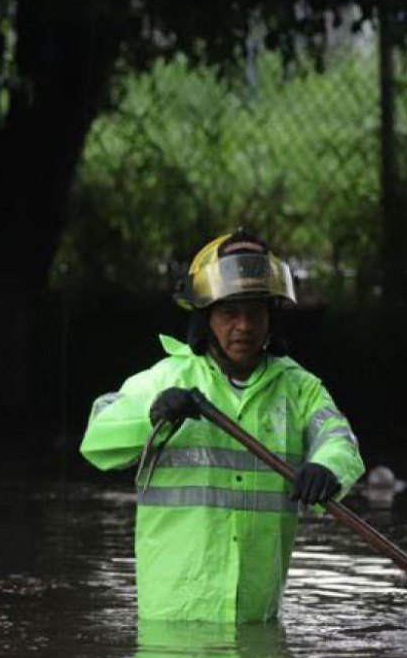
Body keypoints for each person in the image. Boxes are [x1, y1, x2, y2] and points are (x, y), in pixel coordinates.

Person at [80, 230, 365, 622]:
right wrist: (152, 416)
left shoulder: (301, 389)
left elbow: (339, 439)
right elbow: (97, 439)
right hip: (173, 621)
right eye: (230, 313)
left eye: (255, 313)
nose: (243, 326)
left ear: (272, 319)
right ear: (206, 317)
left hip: (256, 621)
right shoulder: (167, 378)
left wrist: (327, 468)